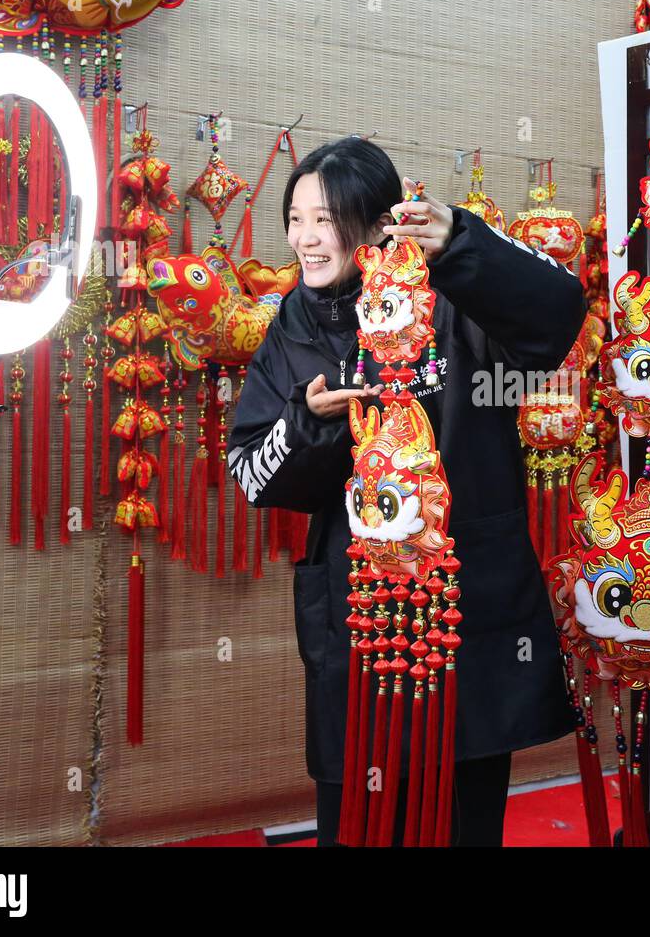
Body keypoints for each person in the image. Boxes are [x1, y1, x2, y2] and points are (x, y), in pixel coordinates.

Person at [228, 135, 586, 846]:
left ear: (372, 221)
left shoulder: (450, 297)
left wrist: (462, 242)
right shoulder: (291, 327)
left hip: (464, 616)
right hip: (356, 624)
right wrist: (310, 424)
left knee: (459, 820)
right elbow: (251, 471)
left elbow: (558, 314)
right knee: (356, 823)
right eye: (295, 218)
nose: (305, 238)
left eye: (324, 219)